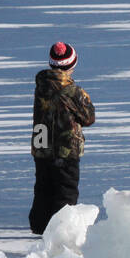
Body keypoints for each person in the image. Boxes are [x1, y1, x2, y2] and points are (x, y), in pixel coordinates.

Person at [29, 41, 95, 235]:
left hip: (41, 144)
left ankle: (40, 224)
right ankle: (61, 230)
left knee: (43, 185)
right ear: (72, 64)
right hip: (65, 147)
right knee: (65, 188)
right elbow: (89, 118)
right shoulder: (74, 92)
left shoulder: (42, 85)